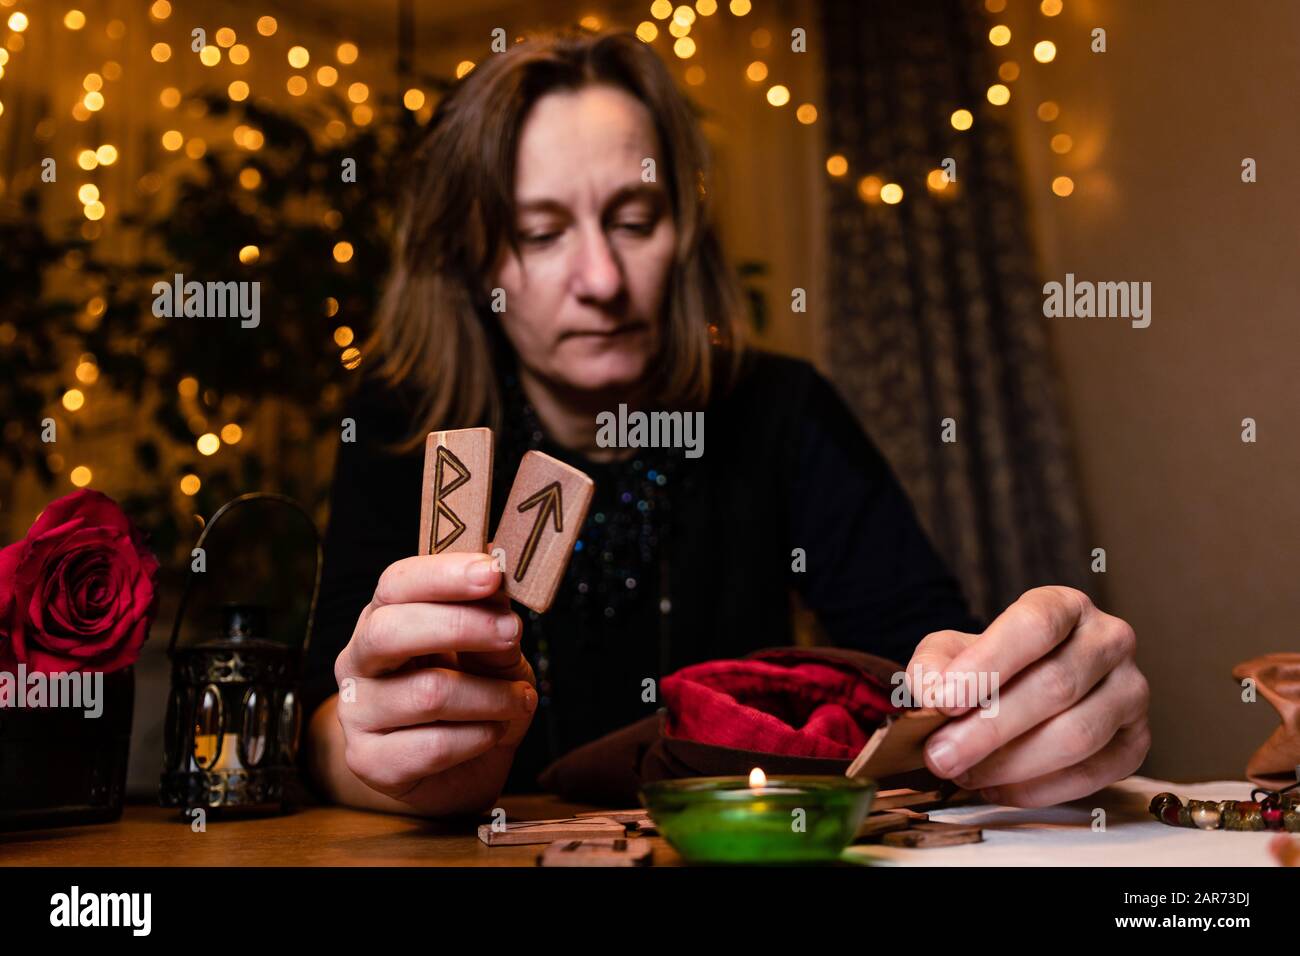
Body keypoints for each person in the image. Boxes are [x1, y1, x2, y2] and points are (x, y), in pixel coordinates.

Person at [300, 30, 1150, 818]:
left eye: (635, 221)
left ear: (686, 231)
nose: (601, 278)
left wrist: (1009, 700)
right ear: (472, 256)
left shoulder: (781, 410)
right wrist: (398, 760)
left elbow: (920, 658)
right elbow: (322, 721)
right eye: (541, 233)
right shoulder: (402, 427)